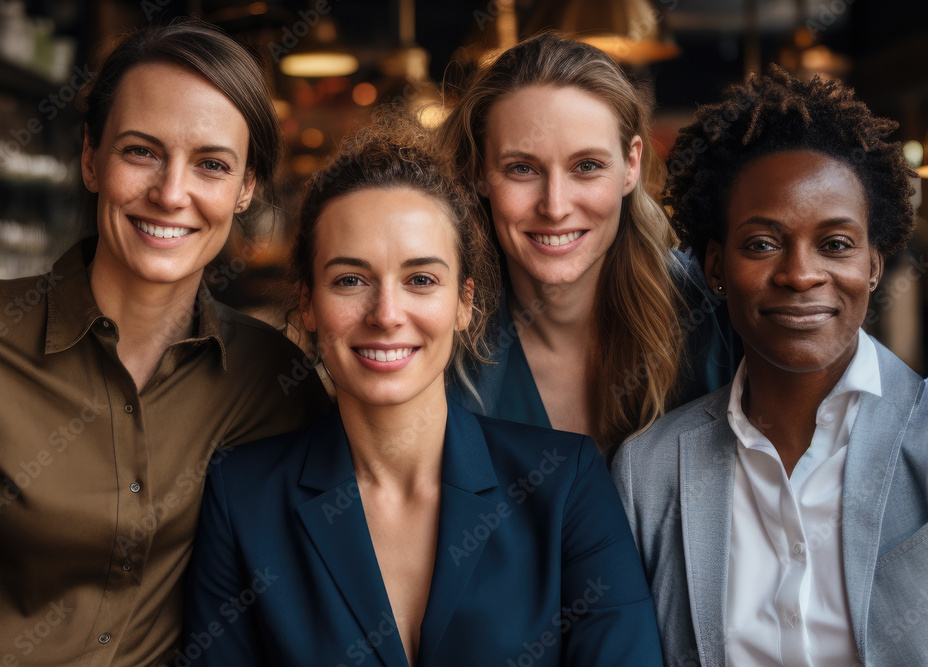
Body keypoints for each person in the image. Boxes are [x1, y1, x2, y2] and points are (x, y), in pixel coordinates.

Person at [182, 113, 662, 666]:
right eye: (350, 280)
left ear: (465, 302)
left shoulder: (565, 484)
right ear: (308, 303)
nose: (387, 314)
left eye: (421, 280)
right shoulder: (242, 497)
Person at [0, 21, 328, 665]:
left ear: (246, 188)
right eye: (140, 151)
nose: (172, 194)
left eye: (212, 165)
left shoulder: (273, 384)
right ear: (91, 158)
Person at [612, 66, 928, 666]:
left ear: (874, 267)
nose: (801, 274)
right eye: (762, 243)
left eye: (836, 244)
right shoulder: (649, 473)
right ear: (714, 267)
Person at [438, 32, 738, 453]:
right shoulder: (438, 343)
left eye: (587, 165)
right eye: (522, 168)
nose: (555, 207)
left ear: (631, 165)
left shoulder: (715, 314)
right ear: (478, 173)